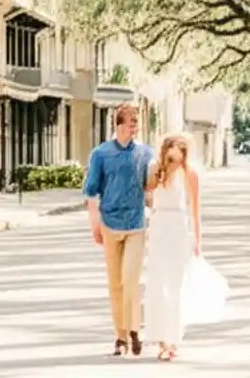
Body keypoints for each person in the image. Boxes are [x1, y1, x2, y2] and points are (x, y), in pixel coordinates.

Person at [83, 104, 153, 357]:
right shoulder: (101, 154)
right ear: (119, 124)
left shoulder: (145, 153)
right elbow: (91, 191)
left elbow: (150, 189)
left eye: (137, 121)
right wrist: (94, 224)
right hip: (110, 223)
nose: (135, 125)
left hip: (135, 224)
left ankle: (135, 330)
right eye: (131, 121)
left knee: (131, 280)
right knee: (116, 283)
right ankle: (120, 336)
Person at [143, 134, 200, 362]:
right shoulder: (156, 170)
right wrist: (162, 169)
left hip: (178, 228)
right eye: (170, 148)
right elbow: (147, 193)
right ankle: (161, 338)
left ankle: (173, 339)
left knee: (175, 286)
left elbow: (196, 209)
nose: (174, 153)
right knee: (157, 283)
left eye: (178, 149)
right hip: (158, 227)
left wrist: (198, 239)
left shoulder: (190, 174)